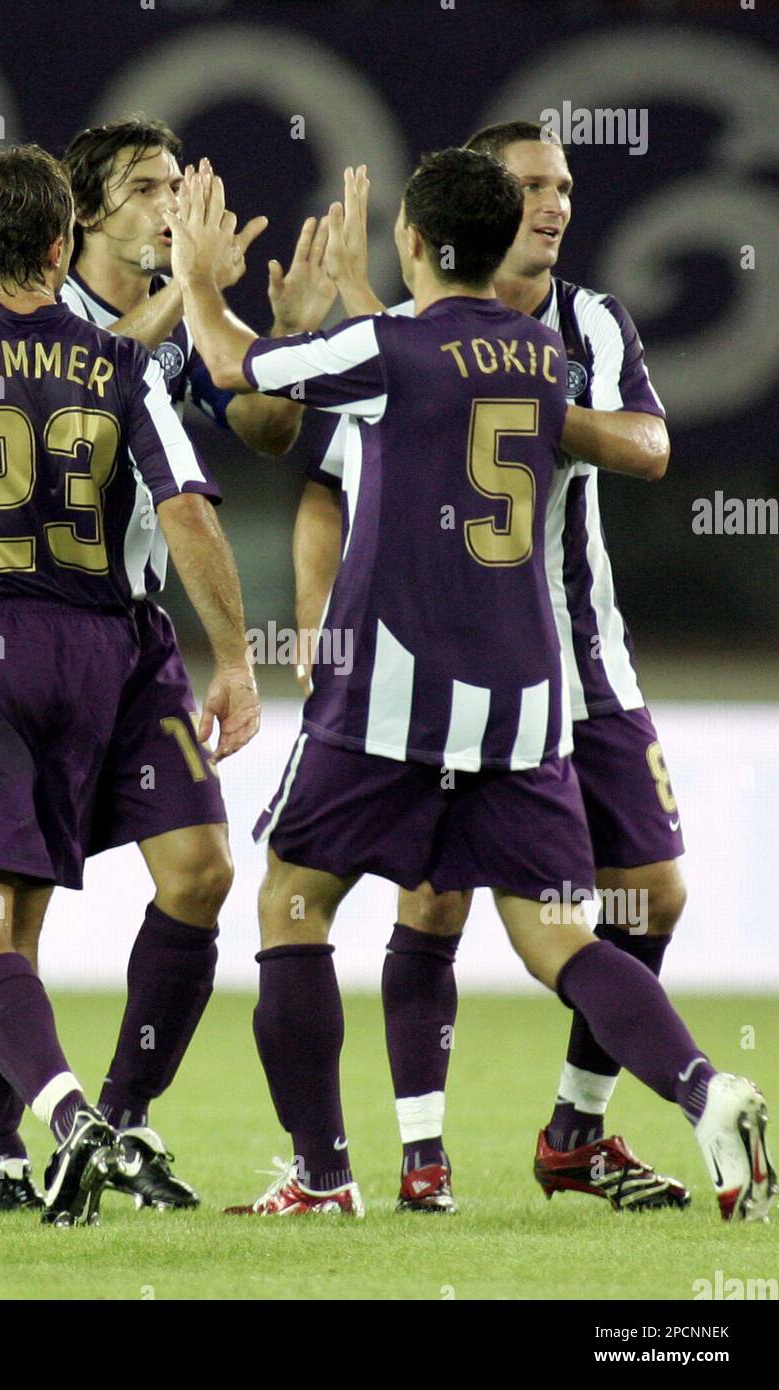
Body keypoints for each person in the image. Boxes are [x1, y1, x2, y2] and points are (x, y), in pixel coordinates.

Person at [163, 150, 775, 1223]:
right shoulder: (544, 357)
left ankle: (322, 1174)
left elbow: (233, 371)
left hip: (391, 692)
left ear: (408, 241)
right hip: (525, 697)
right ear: (498, 247)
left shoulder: (390, 346)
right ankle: (699, 1085)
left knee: (293, 901)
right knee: (555, 934)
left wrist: (199, 280)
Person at [0, 144, 259, 1223]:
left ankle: (73, 1119)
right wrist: (240, 658)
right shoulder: (117, 369)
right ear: (63, 244)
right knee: (20, 915)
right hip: (97, 649)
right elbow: (188, 508)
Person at [296, 123, 698, 1215]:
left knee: (648, 891)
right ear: (482, 203)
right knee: (436, 902)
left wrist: (492, 390)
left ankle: (574, 1129)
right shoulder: (402, 338)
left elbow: (651, 447)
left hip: (582, 658)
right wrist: (316, 631)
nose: (554, 205)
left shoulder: (585, 323)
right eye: (530, 186)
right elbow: (324, 491)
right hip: (455, 658)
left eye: (565, 185)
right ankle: (422, 1158)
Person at [0, 115, 335, 1212]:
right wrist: (191, 288)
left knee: (202, 871)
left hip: (132, 637)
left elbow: (266, 434)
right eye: (144, 188)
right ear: (76, 217)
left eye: (177, 186)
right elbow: (97, 374)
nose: (169, 204)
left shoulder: (171, 320)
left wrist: (272, 333)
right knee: (11, 906)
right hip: (20, 629)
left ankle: (118, 1123)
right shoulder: (40, 320)